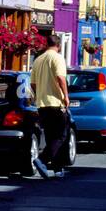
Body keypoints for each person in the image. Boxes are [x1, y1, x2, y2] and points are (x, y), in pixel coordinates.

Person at [29, 32, 70, 179]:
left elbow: (32, 84)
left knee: (51, 136)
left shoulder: (38, 60)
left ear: (47, 44)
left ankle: (58, 169)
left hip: (42, 104)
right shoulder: (58, 58)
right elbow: (61, 77)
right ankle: (42, 160)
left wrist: (39, 93)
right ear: (58, 46)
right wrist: (66, 96)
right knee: (61, 136)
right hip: (55, 103)